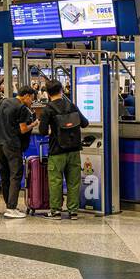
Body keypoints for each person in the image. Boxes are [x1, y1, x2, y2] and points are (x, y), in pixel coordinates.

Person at [0, 85, 36, 219]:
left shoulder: (3, 102)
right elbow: (23, 129)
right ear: (26, 96)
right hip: (12, 145)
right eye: (32, 99)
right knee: (15, 175)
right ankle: (11, 208)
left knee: (5, 176)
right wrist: (34, 124)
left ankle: (9, 205)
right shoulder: (22, 108)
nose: (31, 102)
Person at [38, 80, 87, 220]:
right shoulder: (71, 105)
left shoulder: (48, 109)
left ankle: (56, 211)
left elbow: (42, 131)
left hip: (56, 150)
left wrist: (50, 129)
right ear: (61, 91)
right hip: (74, 150)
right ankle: (73, 211)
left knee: (55, 181)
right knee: (74, 181)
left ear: (47, 93)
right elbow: (85, 123)